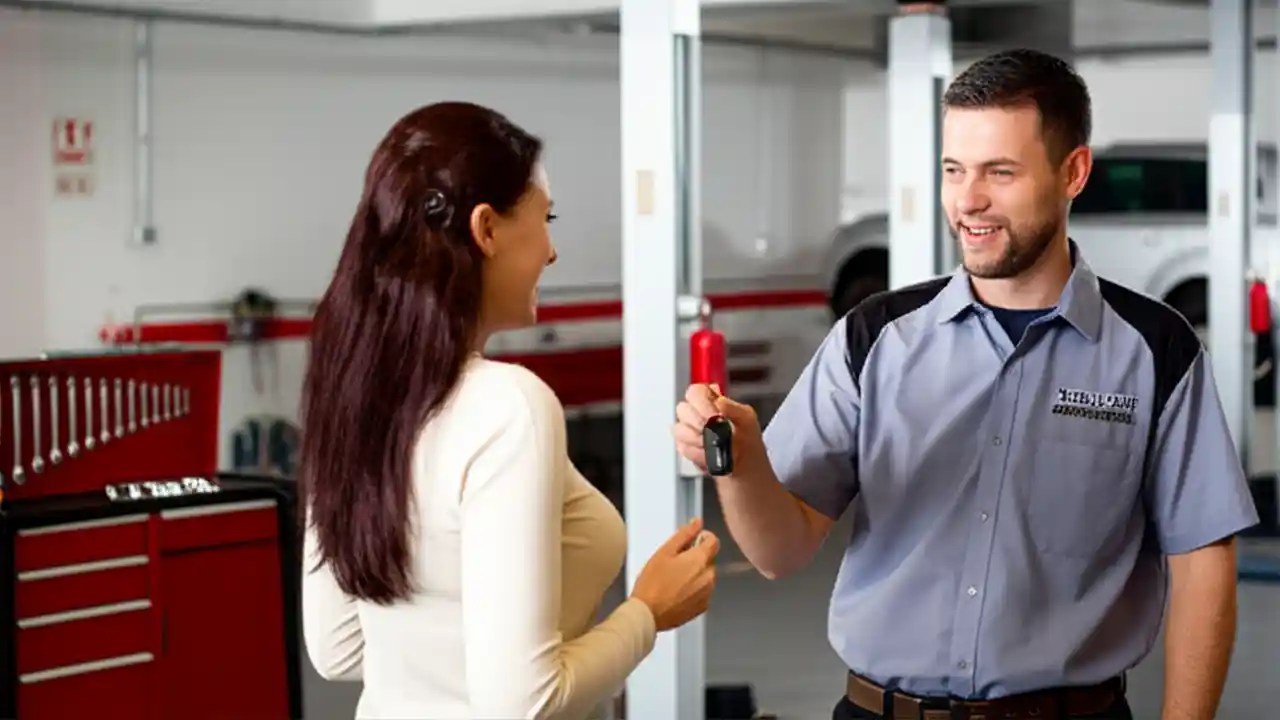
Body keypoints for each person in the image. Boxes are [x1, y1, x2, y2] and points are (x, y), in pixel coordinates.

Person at [674, 49, 1259, 720]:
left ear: (1073, 172)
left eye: (1000, 173)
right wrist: (743, 464)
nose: (968, 200)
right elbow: (781, 550)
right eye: (954, 171)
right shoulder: (875, 337)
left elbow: (1203, 563)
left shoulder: (1157, 350)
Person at [299, 101, 720, 720]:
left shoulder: (356, 393)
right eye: (545, 219)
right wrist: (647, 613)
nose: (551, 251)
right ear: (487, 229)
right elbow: (522, 703)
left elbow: (338, 649)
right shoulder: (507, 407)